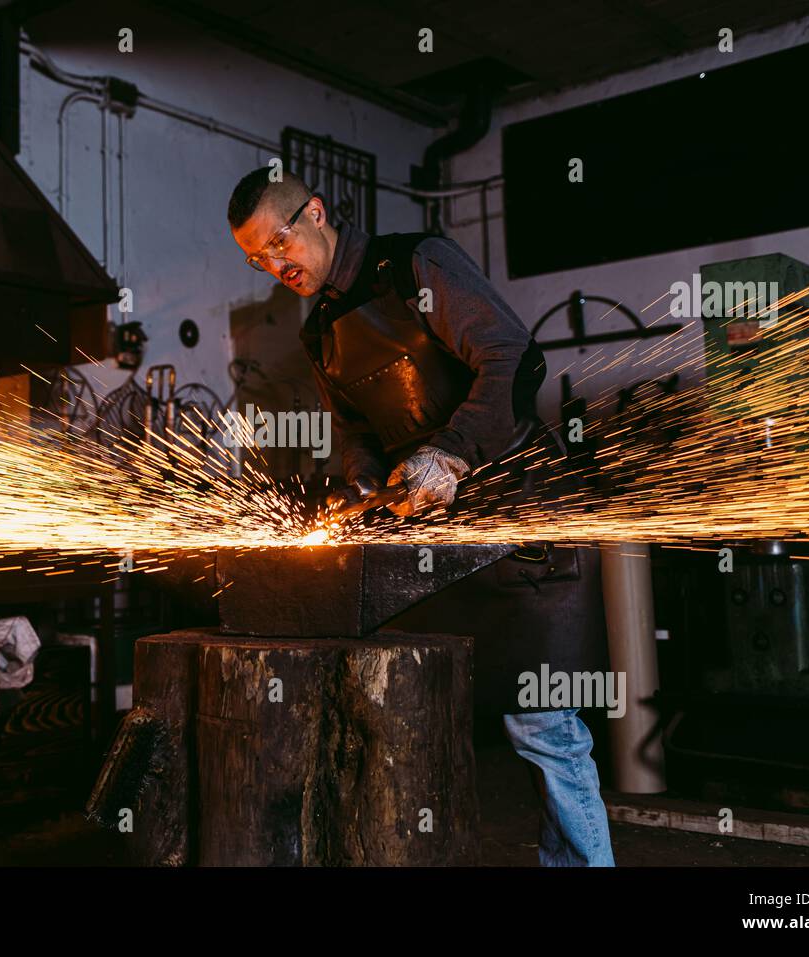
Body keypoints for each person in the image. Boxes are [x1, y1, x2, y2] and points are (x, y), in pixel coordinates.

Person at [227, 168, 615, 866]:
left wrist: (451, 452)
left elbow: (513, 358)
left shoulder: (416, 266)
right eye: (258, 259)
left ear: (315, 212)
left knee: (544, 728)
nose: (276, 265)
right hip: (433, 542)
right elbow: (356, 432)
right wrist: (361, 484)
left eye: (279, 242)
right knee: (417, 707)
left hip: (516, 518)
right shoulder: (320, 333)